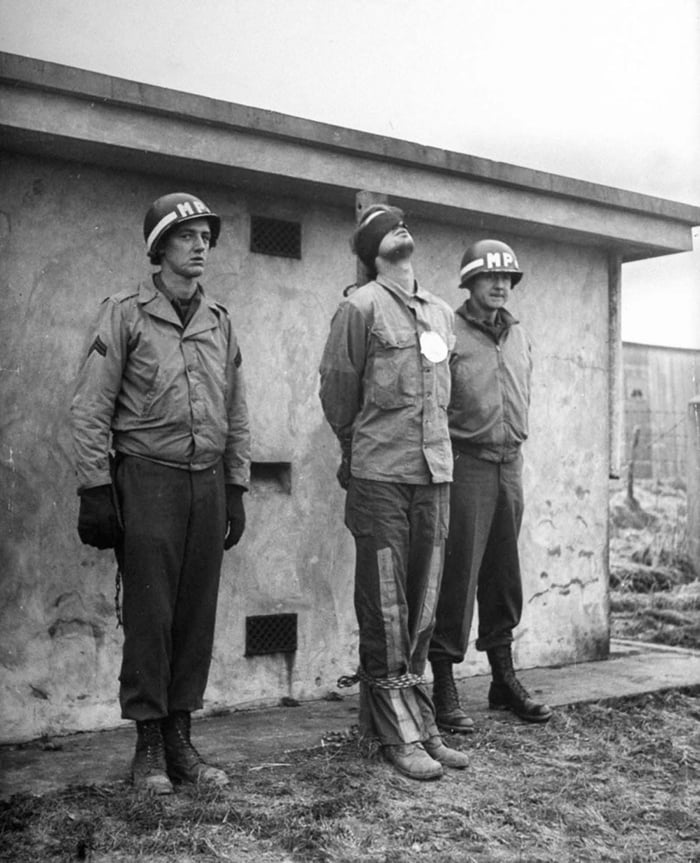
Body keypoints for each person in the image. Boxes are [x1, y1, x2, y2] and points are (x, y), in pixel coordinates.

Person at [71, 192, 251, 794]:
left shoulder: (219, 320)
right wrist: (96, 488)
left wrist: (237, 484)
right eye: (187, 235)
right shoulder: (124, 313)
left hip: (206, 483)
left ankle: (181, 741)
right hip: (147, 477)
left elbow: (236, 411)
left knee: (195, 613)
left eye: (205, 235)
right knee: (151, 614)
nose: (201, 245)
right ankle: (147, 747)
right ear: (160, 247)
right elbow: (91, 407)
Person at [319, 203, 467, 781]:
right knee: (386, 609)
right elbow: (337, 393)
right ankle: (396, 735)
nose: (399, 229)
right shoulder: (359, 309)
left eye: (403, 223)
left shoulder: (441, 314)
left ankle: (422, 724)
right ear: (370, 251)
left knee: (424, 604)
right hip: (380, 477)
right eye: (384, 228)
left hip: (435, 475)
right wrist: (357, 454)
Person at [429, 239, 552, 733]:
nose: (500, 285)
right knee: (459, 575)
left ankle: (503, 680)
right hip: (468, 465)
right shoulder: (445, 332)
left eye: (508, 279)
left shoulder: (519, 335)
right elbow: (433, 400)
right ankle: (443, 686)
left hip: (510, 464)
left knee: (503, 576)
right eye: (489, 277)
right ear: (469, 283)